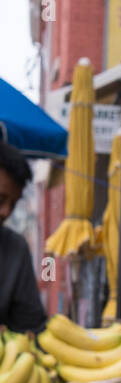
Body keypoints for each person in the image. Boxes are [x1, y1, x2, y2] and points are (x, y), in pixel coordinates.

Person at [0, 141, 46, 333]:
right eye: (0, 199)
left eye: (14, 203)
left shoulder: (15, 250)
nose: (6, 212)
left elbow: (31, 327)